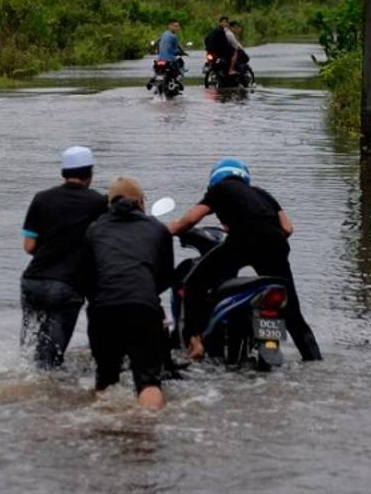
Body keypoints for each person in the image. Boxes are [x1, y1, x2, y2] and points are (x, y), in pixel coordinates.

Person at [166, 158, 322, 362]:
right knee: (292, 311)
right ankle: (314, 359)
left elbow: (191, 219)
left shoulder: (220, 189)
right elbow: (287, 228)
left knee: (194, 283)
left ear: (215, 179)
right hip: (275, 244)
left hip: (243, 241)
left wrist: (168, 229)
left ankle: (195, 343)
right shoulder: (262, 193)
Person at [81, 177, 174, 410]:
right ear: (141, 202)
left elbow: (88, 277)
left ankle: (104, 431)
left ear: (109, 203)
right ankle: (147, 430)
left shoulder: (95, 230)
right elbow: (165, 276)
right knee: (148, 381)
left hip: (103, 308)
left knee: (106, 379)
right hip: (143, 306)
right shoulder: (157, 229)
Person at [20, 146, 106, 369]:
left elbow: (29, 246)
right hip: (66, 286)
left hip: (32, 282)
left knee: (29, 351)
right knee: (50, 362)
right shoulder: (98, 202)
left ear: (63, 173)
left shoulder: (41, 199)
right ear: (90, 173)